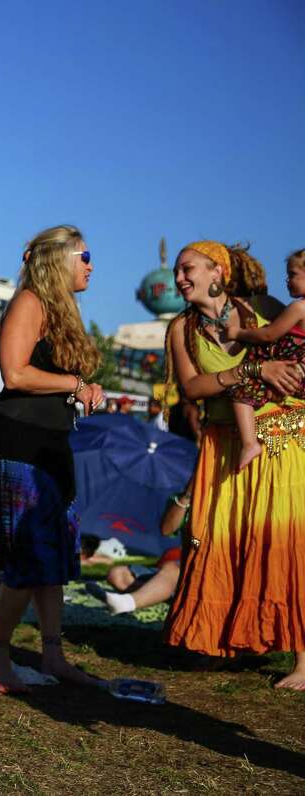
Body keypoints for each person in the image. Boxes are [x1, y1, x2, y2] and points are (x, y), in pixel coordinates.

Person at [162, 240, 305, 689]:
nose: (179, 278)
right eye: (177, 271)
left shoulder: (263, 307)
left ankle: (303, 659)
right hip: (225, 441)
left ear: (217, 271)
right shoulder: (181, 328)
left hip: (281, 435)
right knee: (220, 541)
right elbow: (192, 388)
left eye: (187, 269)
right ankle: (223, 640)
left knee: (286, 542)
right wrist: (250, 372)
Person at [0, 225, 105, 694]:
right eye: (84, 256)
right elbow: (14, 373)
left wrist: (85, 389)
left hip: (50, 444)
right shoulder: (29, 301)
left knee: (54, 558)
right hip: (19, 445)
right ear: (58, 260)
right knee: (29, 558)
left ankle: (53, 655)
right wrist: (74, 384)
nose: (91, 266)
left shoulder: (60, 310)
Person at [222, 249, 305, 471]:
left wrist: (238, 333)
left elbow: (269, 335)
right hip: (299, 376)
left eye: (293, 274)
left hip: (288, 372)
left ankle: (249, 444)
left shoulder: (299, 308)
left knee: (240, 390)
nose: (287, 281)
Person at [86, 492, 188, 616]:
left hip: (198, 570)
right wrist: (186, 496)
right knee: (118, 574)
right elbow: (167, 530)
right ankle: (161, 592)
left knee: (172, 569)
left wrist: (194, 542)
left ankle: (127, 602)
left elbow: (199, 542)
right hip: (177, 566)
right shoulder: (180, 497)